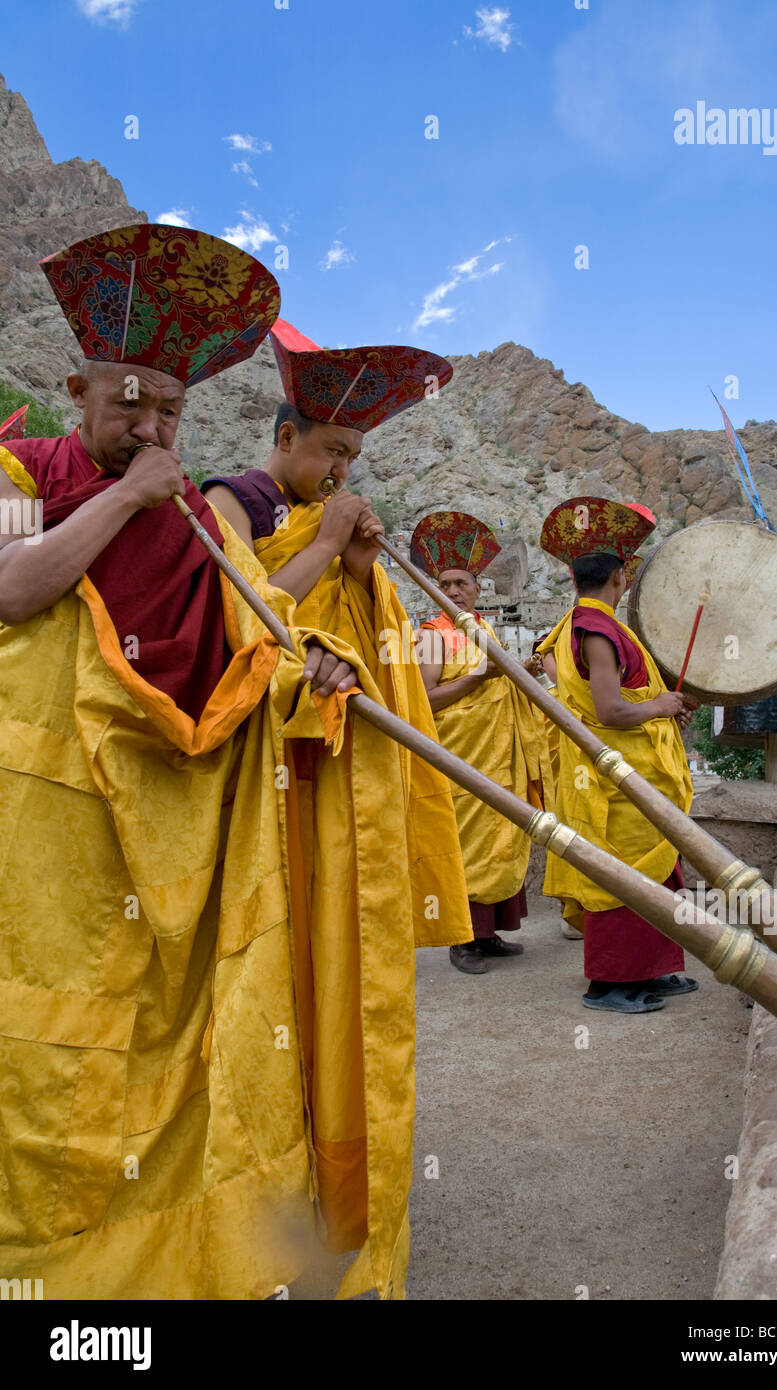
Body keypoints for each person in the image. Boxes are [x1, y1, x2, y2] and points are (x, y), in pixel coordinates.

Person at [0, 224, 413, 1300]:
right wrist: (129, 496)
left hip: (168, 835)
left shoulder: (196, 519)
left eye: (168, 410)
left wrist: (309, 672)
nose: (146, 424)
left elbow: (252, 632)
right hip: (35, 828)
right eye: (125, 399)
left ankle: (147, 1275)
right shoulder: (17, 467)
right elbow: (11, 588)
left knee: (154, 1056)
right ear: (75, 386)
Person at [199, 322, 474, 1267]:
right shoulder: (229, 499)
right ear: (284, 439)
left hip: (335, 780)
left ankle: (337, 1189)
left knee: (340, 983)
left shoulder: (328, 517)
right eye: (330, 451)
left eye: (354, 457)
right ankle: (265, 1198)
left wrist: (361, 571)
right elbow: (240, 600)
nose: (340, 470)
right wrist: (325, 546)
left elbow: (367, 648)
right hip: (262, 781)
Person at [537, 497, 698, 1014]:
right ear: (621, 576)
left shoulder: (578, 627)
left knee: (659, 875)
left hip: (634, 774)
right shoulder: (596, 631)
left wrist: (662, 708)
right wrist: (660, 704)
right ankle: (610, 985)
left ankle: (654, 970)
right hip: (617, 781)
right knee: (626, 880)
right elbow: (607, 710)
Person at [414, 511, 553, 975]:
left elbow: (497, 681)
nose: (452, 591)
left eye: (461, 583)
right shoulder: (431, 637)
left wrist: (522, 672)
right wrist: (478, 677)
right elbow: (426, 702)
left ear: (478, 588)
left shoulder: (482, 629)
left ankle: (489, 934)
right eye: (444, 583)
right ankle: (462, 940)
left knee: (501, 838)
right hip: (462, 759)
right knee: (466, 844)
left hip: (500, 760)